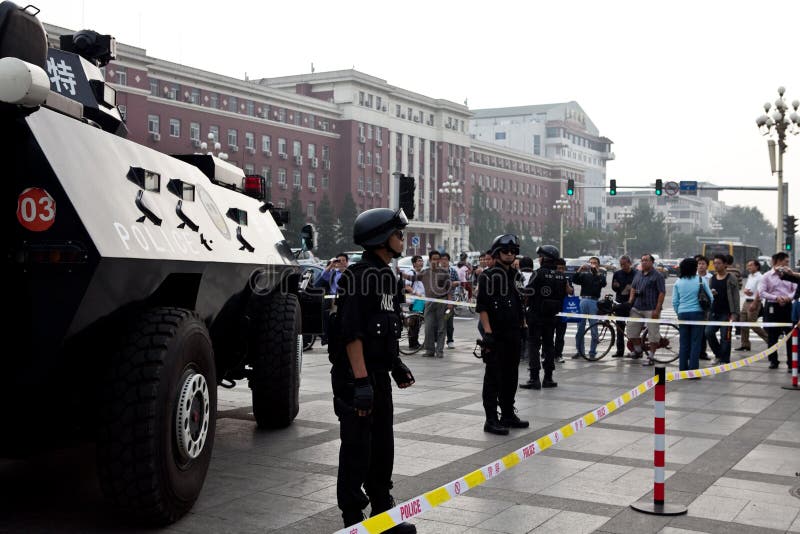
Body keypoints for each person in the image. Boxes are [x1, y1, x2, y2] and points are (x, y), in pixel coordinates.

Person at [328, 208, 416, 532]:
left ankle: (383, 513)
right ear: (381, 238)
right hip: (356, 379)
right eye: (398, 233)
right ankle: (353, 520)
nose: (403, 239)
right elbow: (351, 333)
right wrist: (362, 381)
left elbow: (387, 329)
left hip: (377, 377)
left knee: (382, 448)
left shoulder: (387, 277)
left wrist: (395, 365)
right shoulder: (359, 275)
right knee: (356, 450)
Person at [476, 234, 528, 435]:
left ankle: (507, 413)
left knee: (511, 376)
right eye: (506, 251)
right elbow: (483, 307)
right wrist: (487, 333)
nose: (510, 254)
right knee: (493, 378)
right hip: (495, 334)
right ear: (497, 254)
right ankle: (491, 419)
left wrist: (523, 326)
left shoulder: (516, 276)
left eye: (513, 251)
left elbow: (520, 303)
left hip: (514, 333)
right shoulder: (487, 276)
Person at [520, 245, 568, 390]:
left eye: (540, 256)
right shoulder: (561, 276)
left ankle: (534, 378)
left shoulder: (538, 274)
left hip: (536, 315)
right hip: (552, 316)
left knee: (534, 345)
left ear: (544, 258)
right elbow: (563, 295)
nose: (539, 259)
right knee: (549, 345)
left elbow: (528, 292)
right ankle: (548, 378)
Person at [672, 257, 713, 373]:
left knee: (684, 342)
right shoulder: (700, 280)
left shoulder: (678, 282)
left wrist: (678, 312)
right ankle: (693, 370)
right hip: (697, 314)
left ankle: (682, 369)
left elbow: (675, 301)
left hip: (682, 314)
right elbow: (711, 297)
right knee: (695, 343)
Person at [759, 252, 798, 371]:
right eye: (786, 261)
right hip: (772, 307)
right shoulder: (766, 276)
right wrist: (776, 298)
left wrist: (788, 298)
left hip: (787, 306)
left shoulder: (790, 275)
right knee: (772, 336)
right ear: (778, 261)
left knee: (791, 335)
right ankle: (773, 360)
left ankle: (791, 363)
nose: (787, 264)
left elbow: (795, 290)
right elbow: (762, 292)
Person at [627, 253, 666, 366]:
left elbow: (662, 292)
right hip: (637, 308)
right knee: (631, 330)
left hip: (651, 308)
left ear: (652, 262)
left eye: (646, 260)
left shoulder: (658, 275)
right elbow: (633, 288)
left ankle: (651, 356)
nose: (644, 262)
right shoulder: (639, 274)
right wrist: (630, 301)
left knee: (653, 334)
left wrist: (657, 309)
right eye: (642, 260)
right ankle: (638, 350)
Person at [704, 254, 739, 365]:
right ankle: (718, 354)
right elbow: (708, 294)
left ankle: (725, 359)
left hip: (727, 312)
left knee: (725, 337)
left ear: (725, 264)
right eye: (714, 263)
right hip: (714, 312)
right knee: (708, 333)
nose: (716, 265)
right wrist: (711, 294)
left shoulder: (731, 278)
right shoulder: (712, 278)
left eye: (719, 263)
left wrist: (735, 313)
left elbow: (736, 296)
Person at [572, 256, 607, 359]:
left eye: (595, 263)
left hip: (593, 301)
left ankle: (592, 352)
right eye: (591, 262)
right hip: (583, 300)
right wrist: (580, 269)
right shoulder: (584, 275)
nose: (593, 264)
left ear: (598, 265)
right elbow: (574, 279)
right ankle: (580, 351)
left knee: (594, 329)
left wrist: (597, 272)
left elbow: (603, 283)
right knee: (580, 328)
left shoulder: (600, 275)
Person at [736, 259, 768, 351]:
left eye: (751, 265)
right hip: (746, 301)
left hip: (755, 302)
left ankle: (769, 339)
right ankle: (745, 344)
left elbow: (760, 291)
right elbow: (747, 288)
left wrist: (755, 303)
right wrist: (745, 291)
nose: (748, 267)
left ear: (757, 266)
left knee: (752, 323)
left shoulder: (760, 277)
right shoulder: (750, 276)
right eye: (748, 265)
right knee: (743, 323)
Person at [317, 253, 349, 345]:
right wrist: (331, 265)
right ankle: (328, 338)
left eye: (343, 260)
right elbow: (322, 276)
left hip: (345, 299)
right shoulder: (333, 273)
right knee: (331, 319)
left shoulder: (350, 272)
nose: (341, 263)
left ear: (347, 262)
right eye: (339, 261)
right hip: (333, 300)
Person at [611, 255, 635, 357]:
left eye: (624, 264)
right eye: (621, 264)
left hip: (632, 304)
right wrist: (615, 286)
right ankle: (619, 351)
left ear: (630, 263)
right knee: (619, 328)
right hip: (620, 303)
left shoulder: (636, 274)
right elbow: (614, 287)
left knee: (633, 329)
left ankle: (636, 350)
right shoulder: (617, 274)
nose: (623, 266)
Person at [402, 255, 425, 350]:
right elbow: (407, 287)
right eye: (419, 261)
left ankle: (415, 342)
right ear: (414, 263)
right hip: (415, 301)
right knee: (414, 322)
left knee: (418, 322)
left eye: (422, 261)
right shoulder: (410, 272)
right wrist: (416, 293)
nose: (421, 262)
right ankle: (413, 343)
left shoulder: (421, 274)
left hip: (421, 301)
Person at [553, 258, 573, 363]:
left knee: (560, 335)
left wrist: (566, 284)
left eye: (562, 268)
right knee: (549, 334)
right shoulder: (551, 277)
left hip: (563, 309)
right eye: (559, 268)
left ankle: (558, 354)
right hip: (551, 310)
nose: (561, 270)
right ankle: (547, 354)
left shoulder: (566, 278)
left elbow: (571, 292)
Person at [695, 255, 713, 360]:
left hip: (707, 308)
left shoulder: (710, 278)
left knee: (704, 331)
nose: (701, 266)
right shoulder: (693, 277)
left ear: (707, 266)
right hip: (694, 306)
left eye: (703, 264)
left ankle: (702, 352)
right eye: (699, 264)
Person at [440, 252, 459, 349]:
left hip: (450, 301)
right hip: (438, 301)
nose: (444, 261)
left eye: (446, 259)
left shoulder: (453, 271)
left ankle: (450, 340)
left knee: (448, 321)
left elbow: (458, 281)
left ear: (448, 260)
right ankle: (437, 340)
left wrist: (453, 283)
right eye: (442, 259)